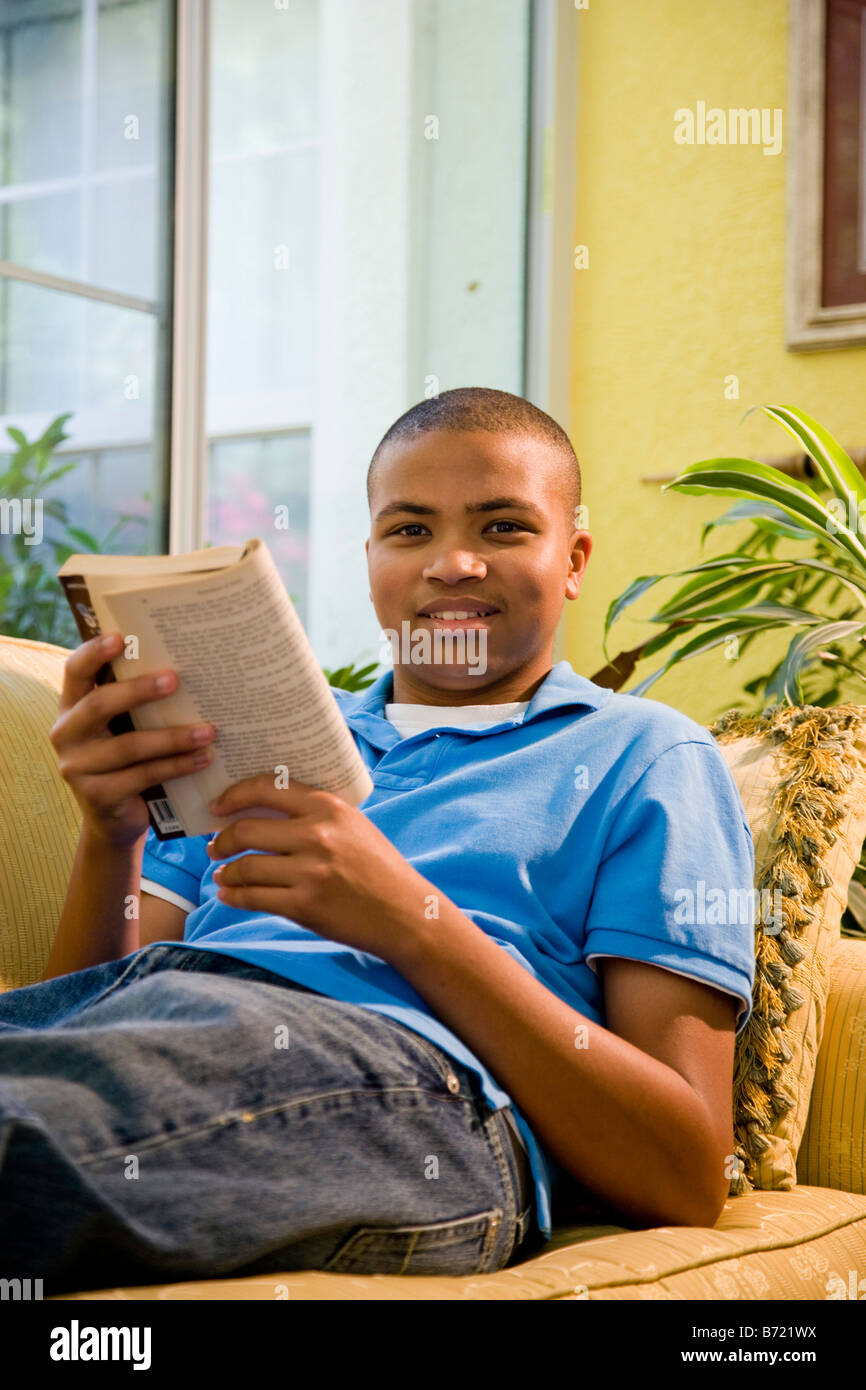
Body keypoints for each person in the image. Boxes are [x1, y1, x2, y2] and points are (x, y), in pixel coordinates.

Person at [0, 387, 755, 1295]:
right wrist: (111, 833)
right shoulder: (250, 735)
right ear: (370, 561)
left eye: (506, 527)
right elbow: (92, 1012)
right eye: (410, 531)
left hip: (420, 1088)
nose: (454, 564)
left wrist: (412, 920)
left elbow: (685, 1169)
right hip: (178, 1024)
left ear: (574, 559)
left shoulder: (645, 754)